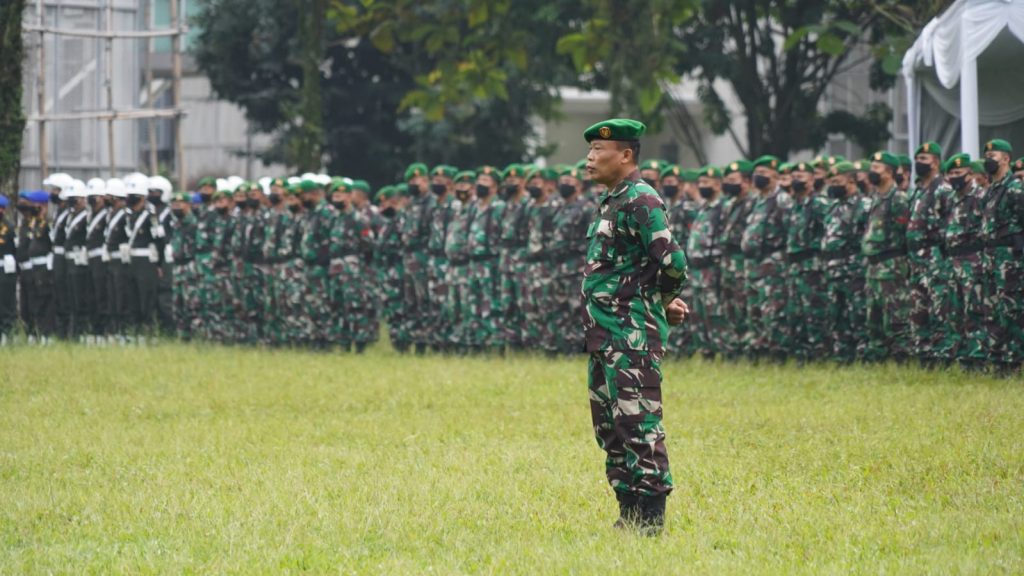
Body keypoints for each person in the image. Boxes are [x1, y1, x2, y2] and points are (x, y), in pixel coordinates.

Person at [581, 119, 689, 536]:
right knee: (611, 427)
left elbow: (673, 263)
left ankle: (650, 522)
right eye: (589, 150)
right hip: (604, 335)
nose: (589, 158)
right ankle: (628, 514)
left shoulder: (642, 199)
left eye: (598, 151)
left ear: (625, 155)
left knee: (639, 422)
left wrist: (660, 302)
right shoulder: (612, 199)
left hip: (631, 335)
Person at [978, 139, 1024, 376]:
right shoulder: (991, 190)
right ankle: (997, 361)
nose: (988, 159)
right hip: (991, 258)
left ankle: (1014, 362)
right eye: (986, 155)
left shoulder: (1015, 188)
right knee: (992, 310)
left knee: (1011, 311)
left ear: (1006, 158)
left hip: (1009, 259)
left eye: (993, 155)